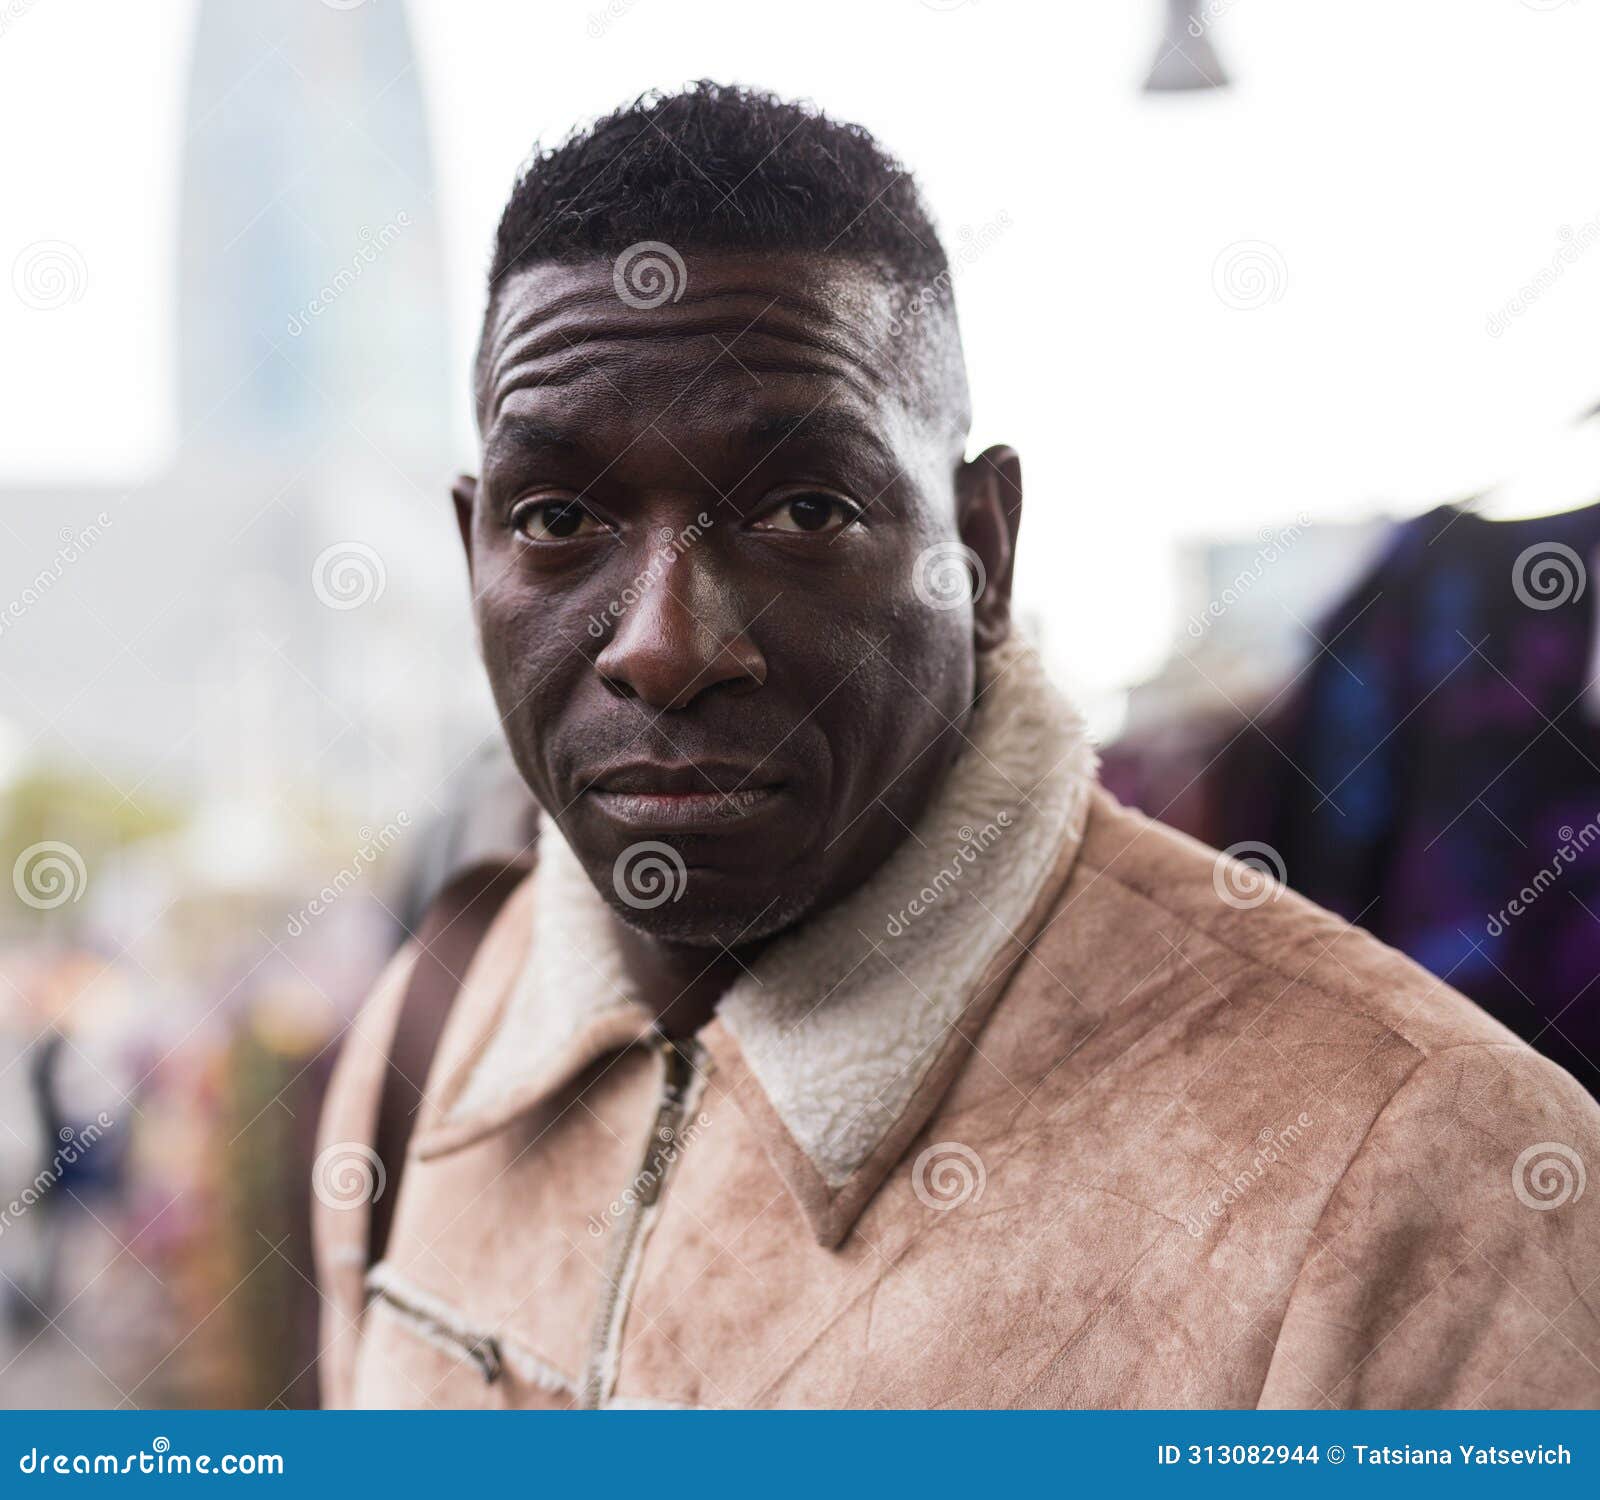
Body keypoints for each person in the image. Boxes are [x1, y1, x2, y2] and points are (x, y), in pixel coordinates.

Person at [314, 83, 1600, 1410]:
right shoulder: (433, 1037)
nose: (661, 643)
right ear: (473, 546)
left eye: (806, 509)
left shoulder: (1425, 1179)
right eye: (558, 516)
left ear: (980, 551)